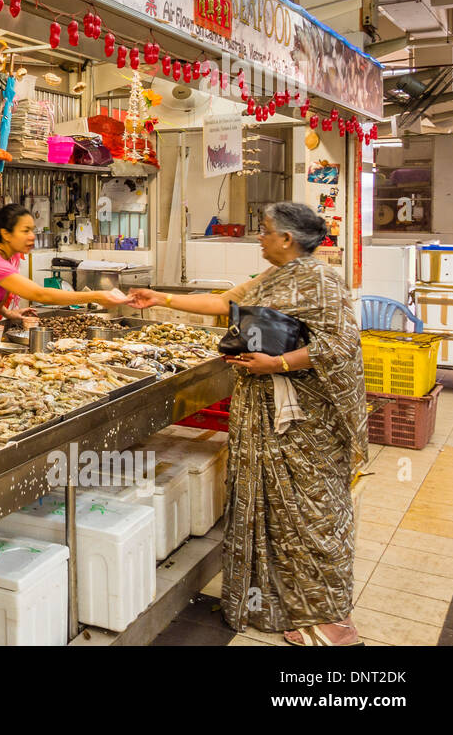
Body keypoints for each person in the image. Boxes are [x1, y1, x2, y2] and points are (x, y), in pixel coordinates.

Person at [128, 202, 367, 646]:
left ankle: (328, 618)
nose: (259, 237)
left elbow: (341, 346)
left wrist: (275, 362)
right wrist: (160, 298)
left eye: (265, 230)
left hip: (304, 424)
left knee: (312, 514)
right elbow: (225, 303)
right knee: (274, 509)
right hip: (267, 417)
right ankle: (273, 605)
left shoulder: (321, 282)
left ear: (287, 239)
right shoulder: (273, 278)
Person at [0, 203, 129, 338]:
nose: (32, 236)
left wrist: (7, 313)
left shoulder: (7, 255)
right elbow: (40, 294)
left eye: (32, 230)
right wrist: (96, 296)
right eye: (25, 231)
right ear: (6, 234)